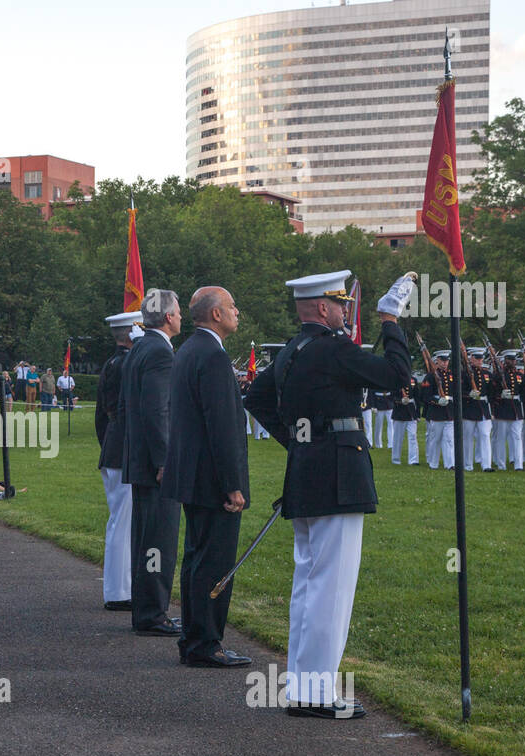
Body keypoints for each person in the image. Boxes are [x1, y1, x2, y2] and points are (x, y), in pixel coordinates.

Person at [245, 270, 411, 719]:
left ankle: (304, 686)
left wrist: (301, 441)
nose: (344, 311)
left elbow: (257, 400)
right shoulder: (334, 349)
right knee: (330, 590)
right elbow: (398, 376)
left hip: (307, 473)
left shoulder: (292, 352)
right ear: (323, 307)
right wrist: (391, 320)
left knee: (309, 585)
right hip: (338, 475)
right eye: (340, 303)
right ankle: (316, 693)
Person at [160, 287, 252, 669]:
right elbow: (222, 426)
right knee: (213, 561)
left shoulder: (187, 351)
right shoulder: (212, 355)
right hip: (213, 480)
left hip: (192, 475)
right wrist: (233, 483)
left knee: (197, 558)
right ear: (215, 314)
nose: (236, 313)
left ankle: (194, 638)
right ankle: (206, 643)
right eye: (231, 307)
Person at [118, 288, 181, 636]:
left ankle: (147, 609)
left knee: (145, 538)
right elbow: (158, 411)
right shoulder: (160, 352)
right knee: (159, 540)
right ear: (168, 317)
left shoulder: (141, 348)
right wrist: (164, 459)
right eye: (179, 312)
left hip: (138, 459)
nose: (182, 317)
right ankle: (153, 613)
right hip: (155, 464)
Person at [95, 311, 137, 612]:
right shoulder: (128, 365)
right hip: (124, 449)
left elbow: (101, 416)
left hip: (112, 445)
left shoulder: (111, 363)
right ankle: (120, 591)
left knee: (119, 521)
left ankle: (120, 587)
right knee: (123, 523)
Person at [489, 350, 525, 471]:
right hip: (503, 408)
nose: (513, 362)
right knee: (501, 438)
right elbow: (491, 394)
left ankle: (518, 464)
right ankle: (501, 464)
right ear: (505, 360)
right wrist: (500, 395)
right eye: (510, 359)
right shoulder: (498, 375)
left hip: (516, 409)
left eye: (514, 359)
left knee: (517, 437)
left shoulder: (519, 376)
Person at [460, 347, 493, 472]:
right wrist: (469, 394)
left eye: (481, 358)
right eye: (477, 358)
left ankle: (487, 465)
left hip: (483, 409)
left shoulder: (487, 374)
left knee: (485, 436)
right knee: (468, 438)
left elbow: (491, 392)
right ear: (471, 358)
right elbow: (458, 391)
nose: (480, 361)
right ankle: (468, 464)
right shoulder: (464, 374)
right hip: (469, 409)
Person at [421, 350, 455, 469]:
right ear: (437, 361)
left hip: (450, 411)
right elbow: (425, 396)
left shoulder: (452, 375)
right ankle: (433, 463)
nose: (445, 363)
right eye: (442, 361)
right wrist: (436, 401)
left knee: (449, 439)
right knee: (436, 439)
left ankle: (450, 464)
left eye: (446, 361)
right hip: (437, 412)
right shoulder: (430, 376)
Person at [389, 375, 421, 465]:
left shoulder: (413, 380)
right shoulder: (395, 380)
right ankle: (396, 459)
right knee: (398, 438)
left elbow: (417, 398)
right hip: (399, 412)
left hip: (411, 412)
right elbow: (391, 396)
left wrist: (417, 414)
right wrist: (400, 400)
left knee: (413, 436)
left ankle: (414, 460)